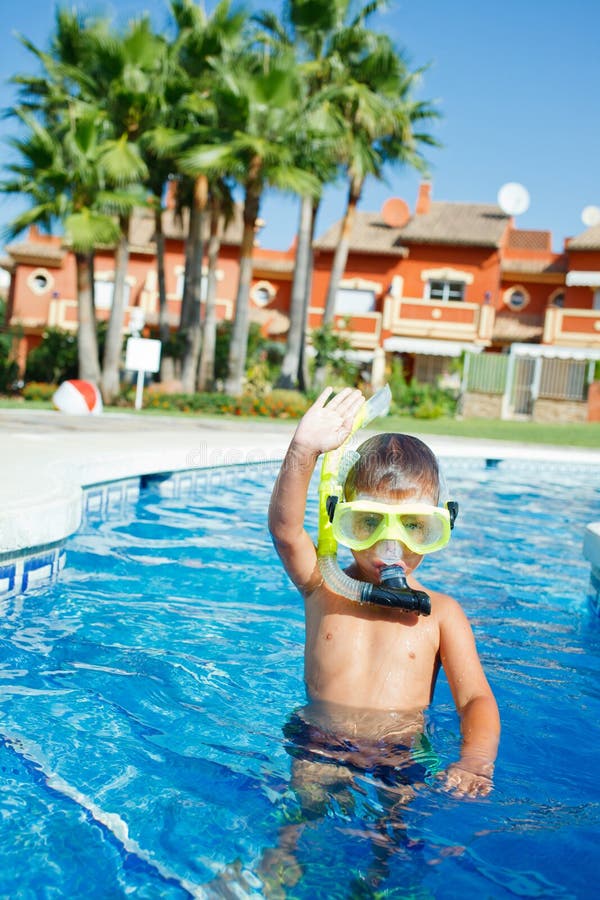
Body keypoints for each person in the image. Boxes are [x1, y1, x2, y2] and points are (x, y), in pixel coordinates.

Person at [268, 385, 500, 801]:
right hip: (321, 742)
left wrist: (475, 759)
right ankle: (283, 857)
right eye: (368, 522)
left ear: (440, 526)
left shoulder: (442, 614)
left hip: (400, 753)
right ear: (339, 518)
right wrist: (303, 450)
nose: (389, 546)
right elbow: (286, 533)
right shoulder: (323, 586)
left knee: (390, 843)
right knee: (301, 820)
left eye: (413, 526)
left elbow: (476, 699)